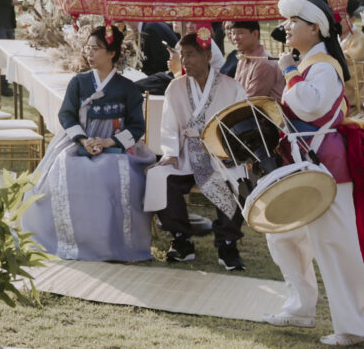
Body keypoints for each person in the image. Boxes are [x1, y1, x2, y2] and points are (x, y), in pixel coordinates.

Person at [265, 0, 364, 345]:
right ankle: (301, 306)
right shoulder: (311, 64)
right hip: (307, 160)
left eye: (293, 21)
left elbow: (311, 106)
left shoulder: (324, 65)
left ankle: (354, 326)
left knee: (334, 244)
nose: (286, 26)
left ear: (315, 28)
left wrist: (287, 71)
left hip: (326, 163)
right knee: (282, 233)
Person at [21, 24, 153, 263]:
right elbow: (67, 116)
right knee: (63, 170)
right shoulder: (79, 82)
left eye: (97, 49)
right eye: (88, 48)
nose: (89, 53)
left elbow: (136, 127)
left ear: (112, 53)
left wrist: (107, 141)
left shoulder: (127, 88)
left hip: (115, 146)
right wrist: (83, 139)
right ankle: (69, 240)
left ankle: (110, 244)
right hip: (78, 140)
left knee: (118, 176)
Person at [146, 31, 248, 270]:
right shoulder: (175, 87)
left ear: (208, 55)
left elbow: (241, 124)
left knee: (238, 178)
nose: (185, 61)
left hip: (220, 154)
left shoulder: (232, 87)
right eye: (182, 55)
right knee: (159, 176)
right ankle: (181, 239)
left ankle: (227, 242)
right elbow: (169, 125)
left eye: (191, 55)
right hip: (184, 154)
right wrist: (170, 152)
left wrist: (235, 153)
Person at [221, 21, 285, 102]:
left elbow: (250, 102)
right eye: (233, 33)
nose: (235, 38)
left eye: (240, 33)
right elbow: (236, 91)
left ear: (255, 34)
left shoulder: (263, 64)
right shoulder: (243, 59)